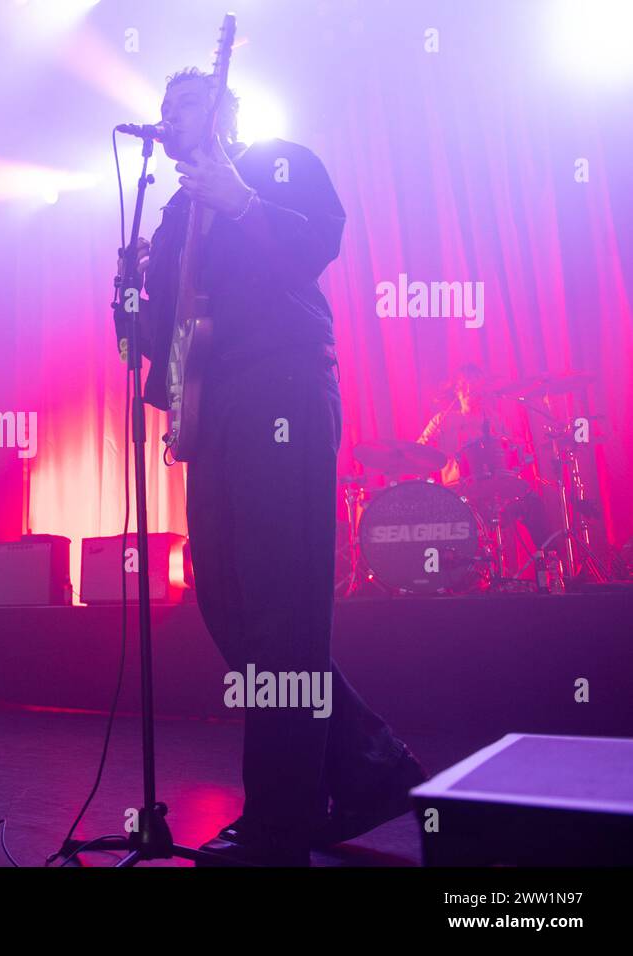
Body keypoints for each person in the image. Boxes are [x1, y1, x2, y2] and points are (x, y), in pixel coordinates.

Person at [130, 68, 425, 864]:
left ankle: (280, 827)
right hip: (215, 415)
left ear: (225, 108)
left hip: (283, 395)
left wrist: (243, 201)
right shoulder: (168, 215)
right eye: (163, 108)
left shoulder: (276, 162)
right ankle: (369, 763)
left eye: (185, 103)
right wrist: (130, 300)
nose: (169, 117)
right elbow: (161, 345)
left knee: (285, 611)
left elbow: (317, 240)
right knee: (230, 605)